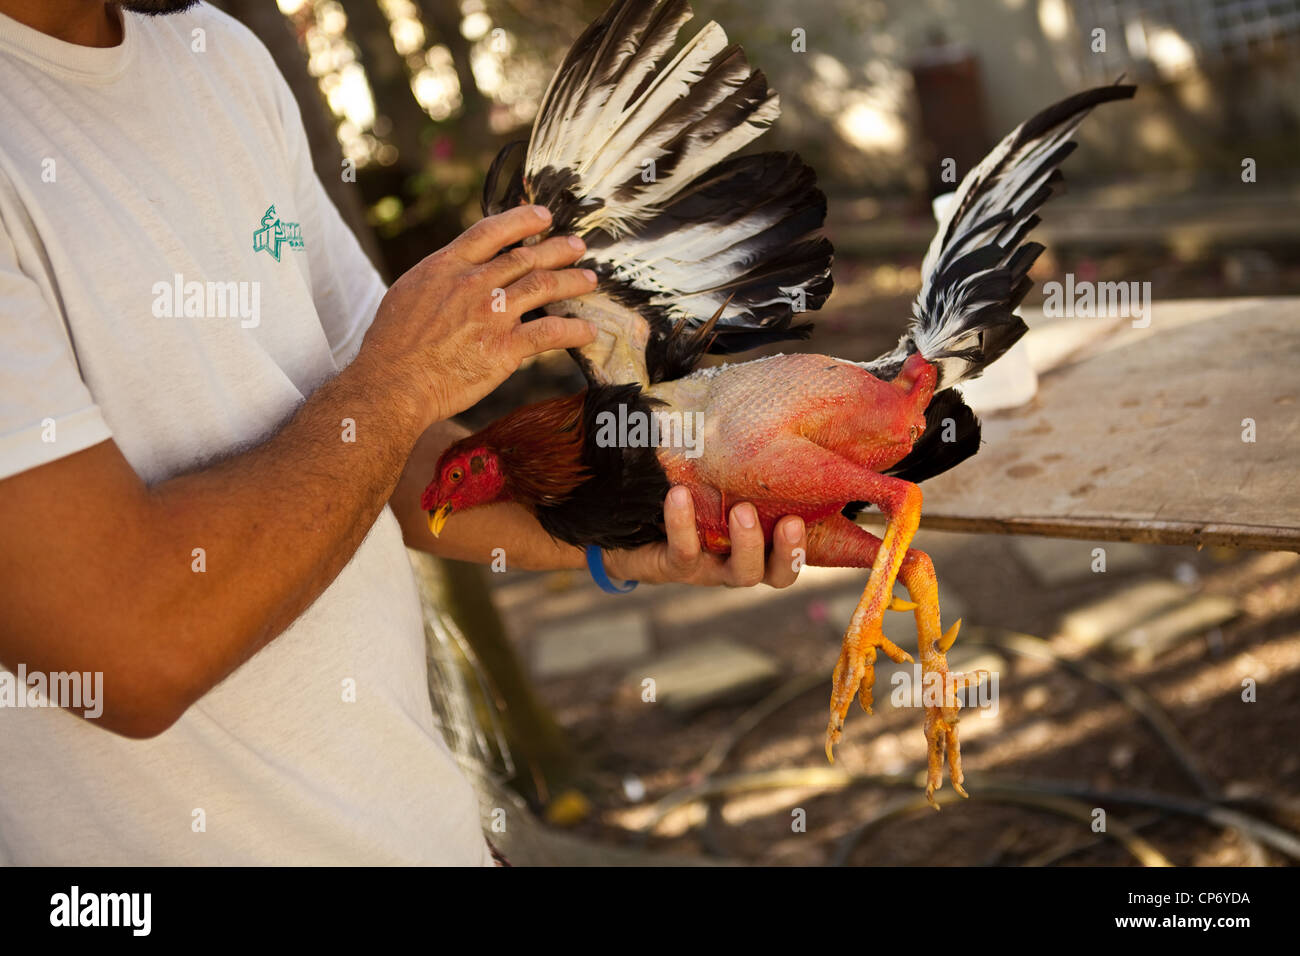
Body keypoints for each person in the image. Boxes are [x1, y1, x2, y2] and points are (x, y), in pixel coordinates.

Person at [0, 0, 807, 864]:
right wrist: (401, 380)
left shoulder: (218, 56)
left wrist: (625, 538)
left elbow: (376, 454)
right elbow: (131, 649)